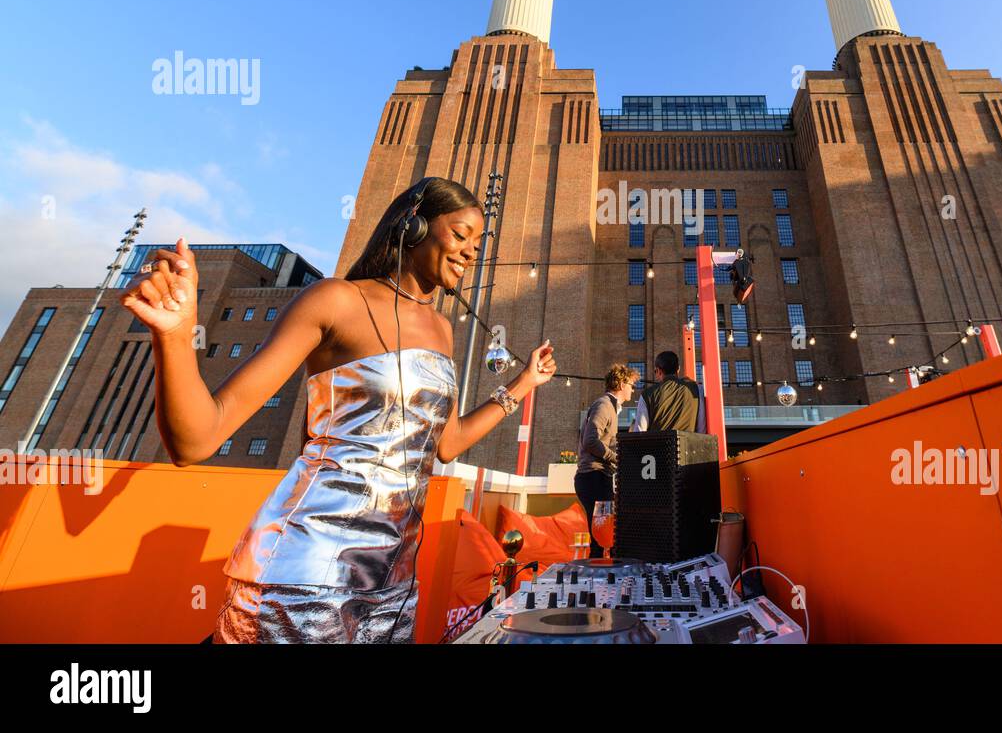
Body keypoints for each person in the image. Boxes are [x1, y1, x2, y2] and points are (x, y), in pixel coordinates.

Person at [119, 176, 558, 643]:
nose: (473, 252)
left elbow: (446, 445)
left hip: (394, 580)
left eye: (478, 242)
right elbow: (197, 438)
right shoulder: (336, 300)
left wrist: (523, 383)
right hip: (307, 572)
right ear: (413, 225)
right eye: (460, 234)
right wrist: (175, 335)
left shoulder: (441, 330)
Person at [574, 364, 639, 558]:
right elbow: (590, 441)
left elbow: (601, 442)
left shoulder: (610, 407)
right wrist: (617, 458)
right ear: (620, 383)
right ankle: (599, 581)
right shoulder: (604, 405)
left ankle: (598, 580)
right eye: (631, 385)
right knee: (602, 536)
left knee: (600, 536)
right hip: (593, 477)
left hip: (595, 477)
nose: (633, 389)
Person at [632, 350, 701, 433]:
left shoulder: (647, 394)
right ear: (678, 369)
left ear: (658, 371)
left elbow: (639, 431)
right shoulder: (697, 389)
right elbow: (702, 427)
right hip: (688, 444)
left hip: (658, 445)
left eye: (655, 371)